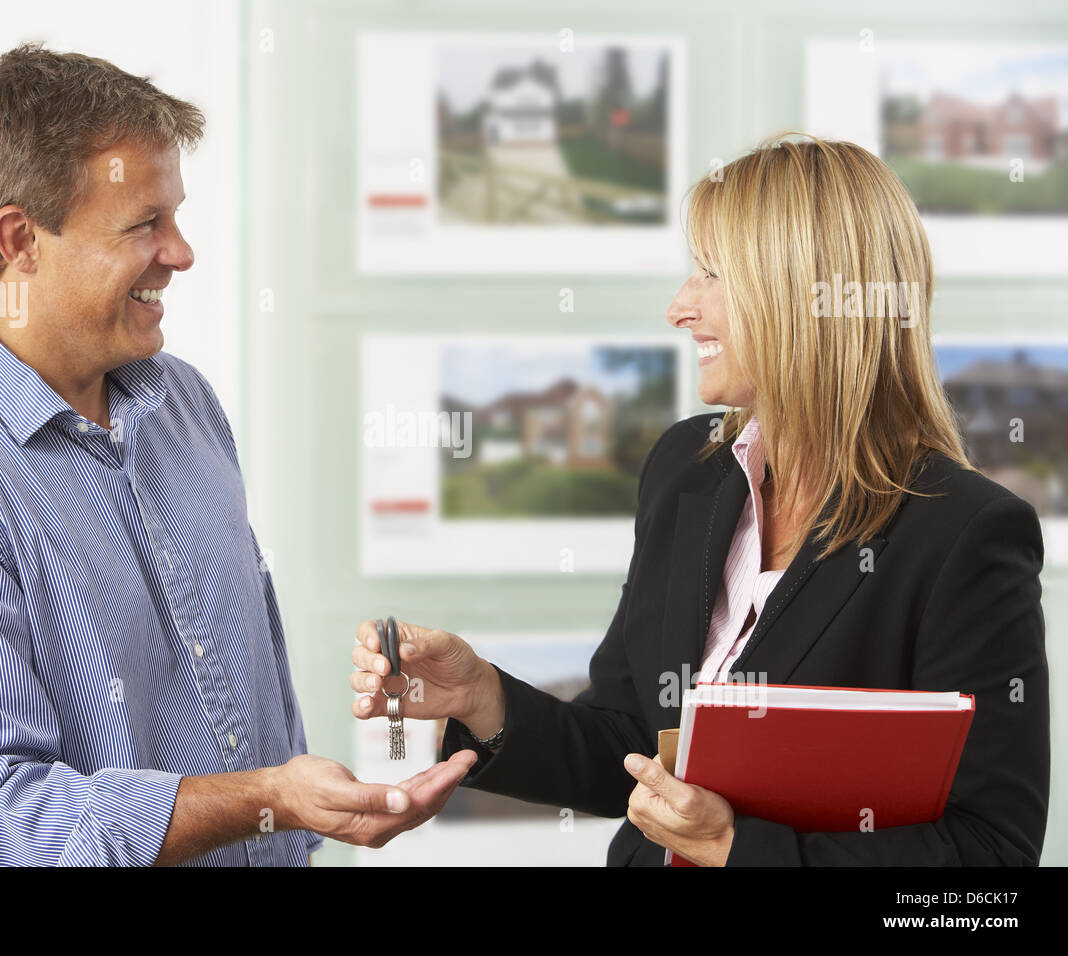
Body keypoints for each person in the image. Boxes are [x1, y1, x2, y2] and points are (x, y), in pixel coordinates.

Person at [0, 43, 475, 867]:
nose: (182, 252)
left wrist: (296, 817)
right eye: (144, 225)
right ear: (20, 241)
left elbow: (253, 693)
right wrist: (267, 799)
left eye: (177, 216)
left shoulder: (184, 407)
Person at [350, 135, 1050, 866]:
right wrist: (482, 697)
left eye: (712, 274)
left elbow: (989, 856)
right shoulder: (688, 469)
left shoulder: (964, 533)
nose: (679, 308)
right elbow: (631, 744)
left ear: (804, 294)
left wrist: (733, 848)